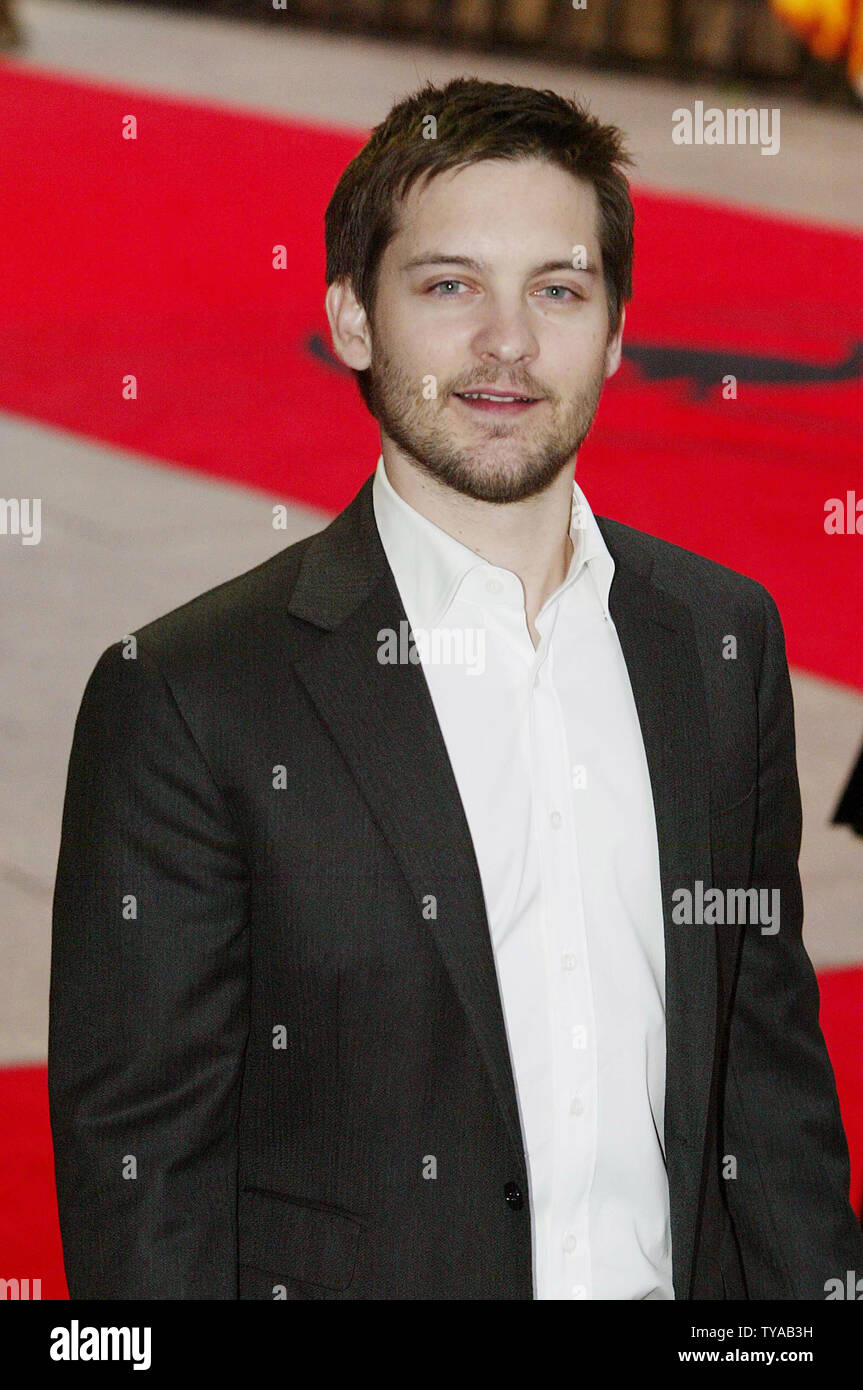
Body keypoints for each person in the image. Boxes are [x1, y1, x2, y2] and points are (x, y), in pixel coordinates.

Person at [49, 76, 863, 1300]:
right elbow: (142, 1175)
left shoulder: (717, 643)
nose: (508, 344)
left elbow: (766, 1079)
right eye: (447, 286)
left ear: (615, 327)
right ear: (352, 320)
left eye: (557, 288)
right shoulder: (187, 696)